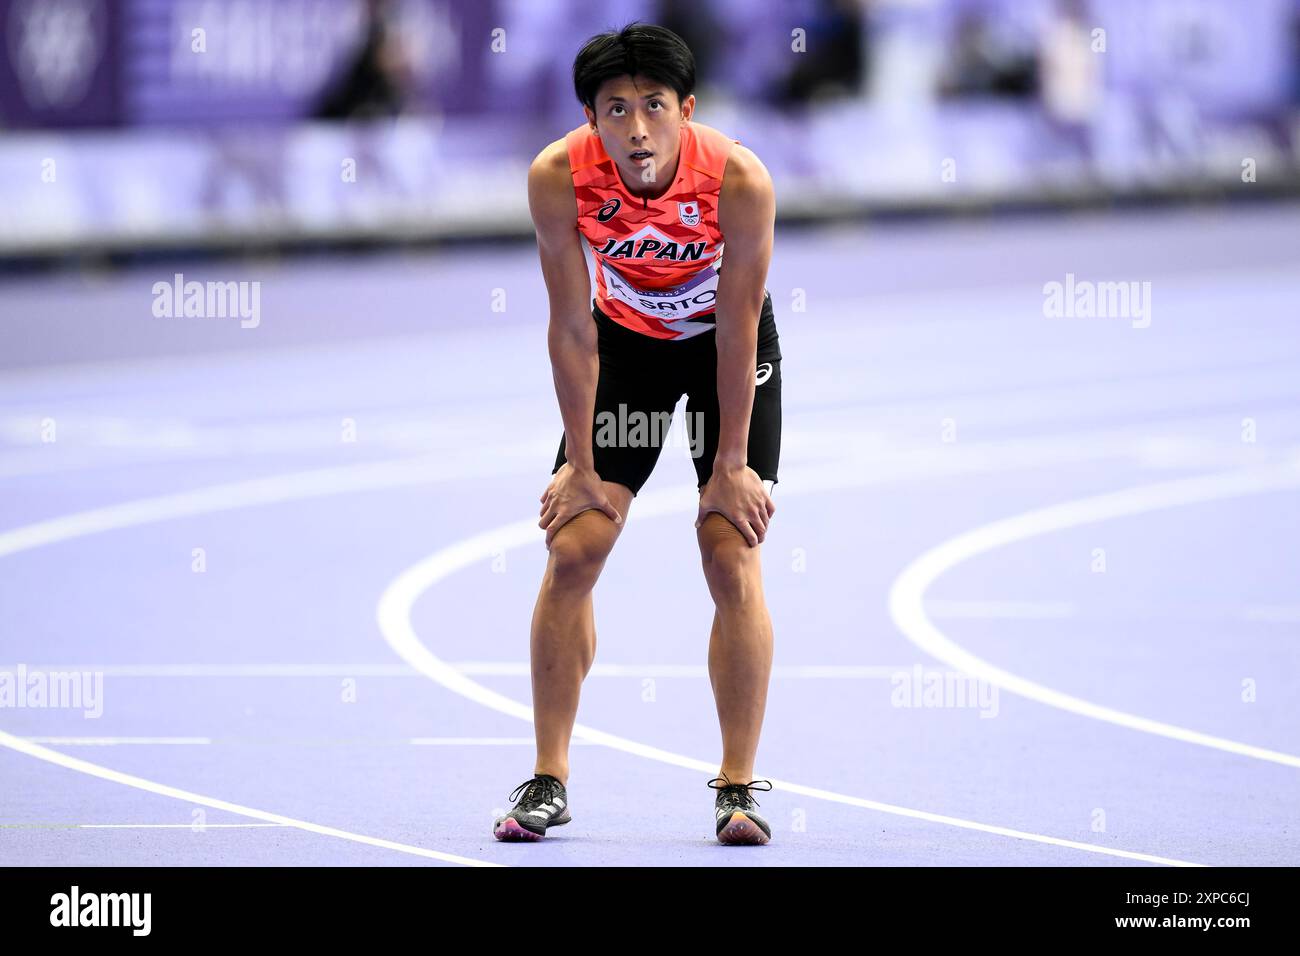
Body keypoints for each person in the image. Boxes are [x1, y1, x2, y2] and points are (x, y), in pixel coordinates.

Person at [492, 22, 781, 846]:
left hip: (724, 351)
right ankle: (549, 777)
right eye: (616, 109)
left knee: (728, 550)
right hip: (626, 352)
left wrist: (731, 464)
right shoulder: (557, 177)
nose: (638, 128)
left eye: (654, 105)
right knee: (573, 549)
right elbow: (569, 327)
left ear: (686, 109)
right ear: (591, 119)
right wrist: (581, 466)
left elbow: (737, 326)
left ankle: (737, 788)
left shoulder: (739, 180)